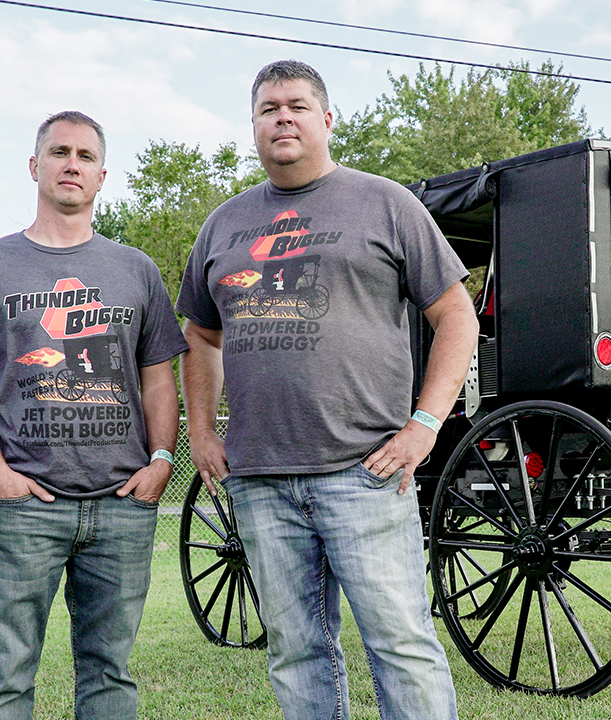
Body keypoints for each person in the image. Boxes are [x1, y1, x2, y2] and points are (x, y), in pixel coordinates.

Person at [177, 60, 478, 720]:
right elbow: (200, 336)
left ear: (327, 120)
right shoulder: (224, 224)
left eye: (297, 106)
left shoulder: (386, 203)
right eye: (268, 108)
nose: (282, 117)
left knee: (401, 645)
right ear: (253, 125)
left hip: (365, 471)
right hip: (259, 480)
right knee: (296, 653)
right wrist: (199, 431)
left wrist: (426, 424)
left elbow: (456, 313)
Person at [0, 110, 188, 720]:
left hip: (121, 505)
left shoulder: (136, 270)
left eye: (86, 156)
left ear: (101, 176)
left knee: (109, 674)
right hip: (21, 506)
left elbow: (158, 379)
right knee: (6, 675)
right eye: (60, 152)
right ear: (34, 165)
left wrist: (161, 461)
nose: (73, 164)